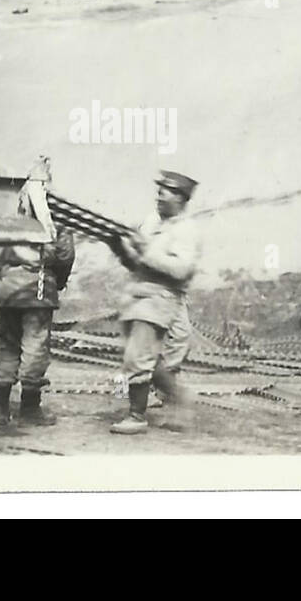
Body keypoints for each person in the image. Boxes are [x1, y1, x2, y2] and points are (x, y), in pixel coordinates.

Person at [108, 170, 202, 435]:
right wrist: (118, 247)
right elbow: (136, 263)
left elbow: (181, 269)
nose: (159, 196)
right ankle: (180, 397)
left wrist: (144, 249)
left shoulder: (186, 229)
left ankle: (136, 416)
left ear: (181, 198)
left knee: (139, 357)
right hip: (138, 296)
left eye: (166, 191)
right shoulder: (151, 223)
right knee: (140, 357)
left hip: (160, 298)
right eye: (159, 190)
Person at [0, 159, 76, 426]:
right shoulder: (54, 225)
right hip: (38, 291)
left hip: (9, 291)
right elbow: (65, 256)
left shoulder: (10, 223)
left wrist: (7, 273)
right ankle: (30, 409)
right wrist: (57, 281)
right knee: (35, 347)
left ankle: (1, 408)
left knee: (8, 346)